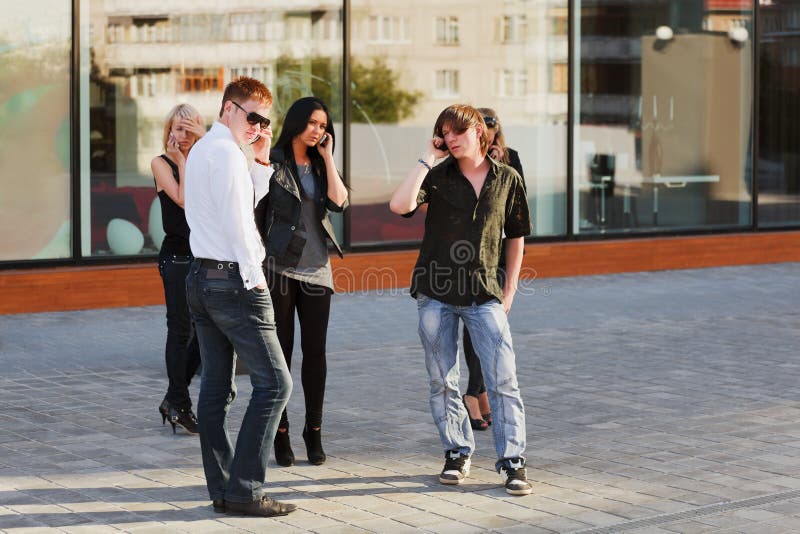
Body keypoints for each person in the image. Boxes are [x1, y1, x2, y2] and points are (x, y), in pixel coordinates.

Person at [389, 104, 533, 496]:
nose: (450, 138)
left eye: (458, 131)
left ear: (480, 134)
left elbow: (516, 235)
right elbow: (400, 206)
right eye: (444, 132)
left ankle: (513, 462)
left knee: (504, 379)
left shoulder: (507, 179)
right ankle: (456, 452)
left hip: (484, 293)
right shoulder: (436, 177)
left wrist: (510, 290)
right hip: (435, 294)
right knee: (442, 380)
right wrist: (426, 157)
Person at [184, 77, 296, 518]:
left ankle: (225, 487)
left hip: (201, 278)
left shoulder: (206, 151)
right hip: (233, 280)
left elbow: (238, 203)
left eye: (265, 121)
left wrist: (261, 160)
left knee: (215, 386)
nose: (258, 127)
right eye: (252, 117)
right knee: (275, 384)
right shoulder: (227, 154)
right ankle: (245, 490)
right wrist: (256, 280)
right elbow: (239, 225)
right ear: (228, 108)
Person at [254, 96, 348, 467]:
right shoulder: (272, 160)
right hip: (279, 268)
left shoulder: (322, 166)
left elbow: (339, 203)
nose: (318, 130)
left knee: (316, 354)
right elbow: (257, 214)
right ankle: (281, 431)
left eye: (323, 125)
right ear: (296, 122)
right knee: (283, 354)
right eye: (312, 123)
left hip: (317, 269)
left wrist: (328, 157)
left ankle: (314, 430)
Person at [461, 107, 526, 432]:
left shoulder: (510, 158)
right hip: (474, 256)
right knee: (477, 327)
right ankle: (473, 395)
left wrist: (502, 163)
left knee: (492, 327)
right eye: (482, 124)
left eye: (492, 123)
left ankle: (480, 391)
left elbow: (519, 207)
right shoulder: (466, 165)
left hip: (500, 254)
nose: (488, 130)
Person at [152, 104, 206, 435]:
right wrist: (184, 161)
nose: (182, 135)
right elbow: (184, 199)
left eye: (189, 129)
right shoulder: (161, 163)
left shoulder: (207, 160)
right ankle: (181, 404)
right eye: (177, 128)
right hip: (176, 258)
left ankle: (174, 398)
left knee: (209, 328)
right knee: (180, 329)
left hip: (203, 255)